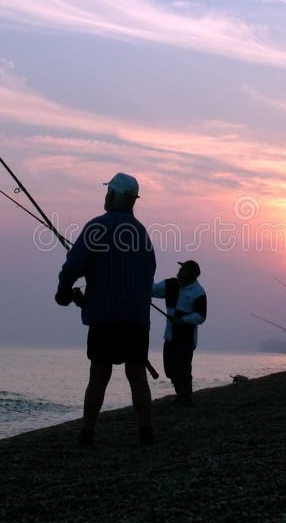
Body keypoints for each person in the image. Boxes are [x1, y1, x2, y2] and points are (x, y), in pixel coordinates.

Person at [55, 172, 156, 447]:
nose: (106, 195)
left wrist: (64, 294)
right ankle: (145, 431)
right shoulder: (141, 234)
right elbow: (148, 274)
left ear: (113, 195)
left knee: (99, 374)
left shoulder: (97, 227)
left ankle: (87, 432)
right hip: (136, 319)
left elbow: (72, 268)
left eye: (108, 191)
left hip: (105, 319)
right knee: (137, 374)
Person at [152, 260, 207, 405]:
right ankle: (181, 395)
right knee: (170, 369)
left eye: (183, 269)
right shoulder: (171, 284)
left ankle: (185, 397)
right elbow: (153, 290)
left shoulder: (199, 292)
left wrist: (182, 320)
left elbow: (201, 316)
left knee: (183, 368)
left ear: (191, 274)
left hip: (186, 339)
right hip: (170, 336)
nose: (179, 271)